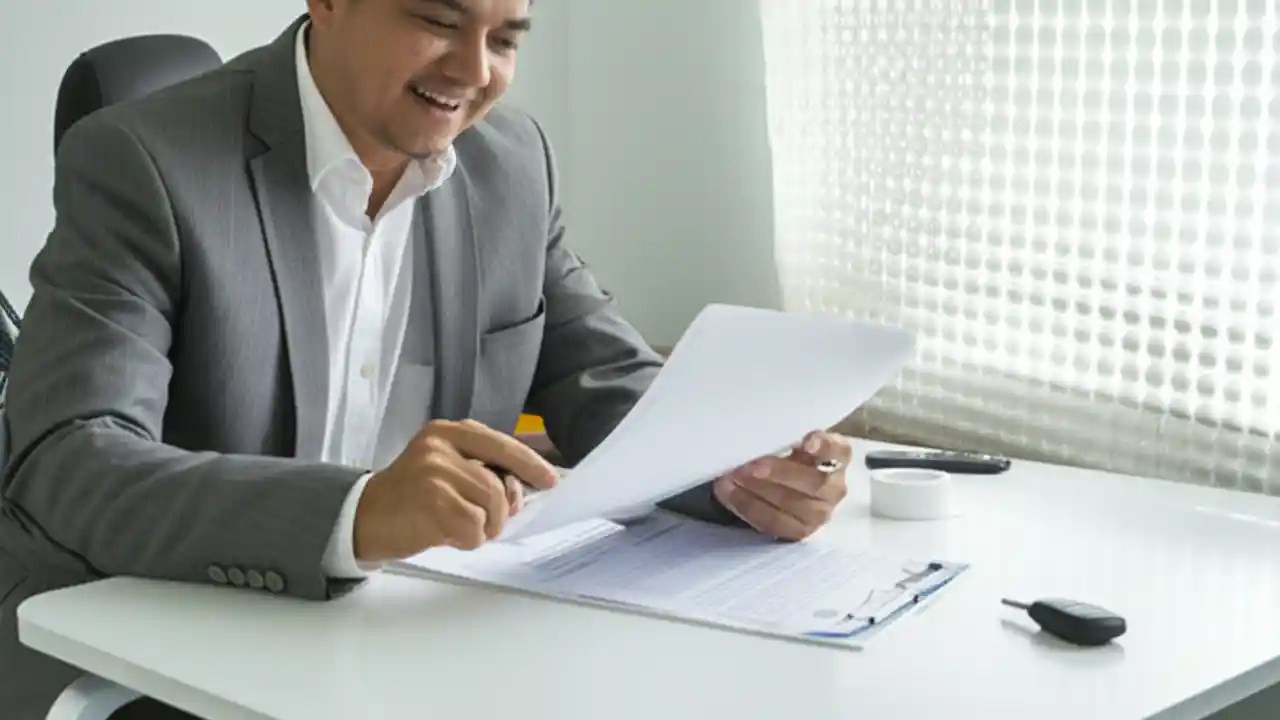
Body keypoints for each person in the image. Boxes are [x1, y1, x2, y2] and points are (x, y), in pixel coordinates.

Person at [0, 1, 853, 716]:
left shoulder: (511, 165)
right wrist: (359, 514)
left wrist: (738, 467)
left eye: (507, 38)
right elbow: (68, 460)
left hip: (392, 637)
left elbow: (603, 377)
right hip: (140, 637)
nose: (473, 69)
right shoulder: (143, 162)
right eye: (438, 20)